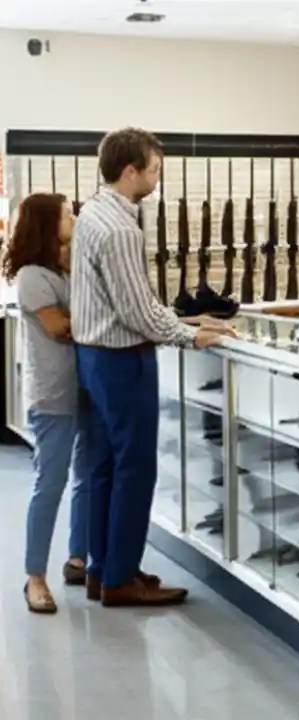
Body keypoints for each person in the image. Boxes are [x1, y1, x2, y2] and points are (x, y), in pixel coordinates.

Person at [71, 127, 235, 607]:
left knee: (104, 468)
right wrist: (191, 334)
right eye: (155, 169)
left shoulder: (91, 214)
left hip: (94, 358)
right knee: (135, 470)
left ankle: (104, 571)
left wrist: (183, 316)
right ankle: (121, 578)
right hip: (123, 361)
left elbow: (129, 301)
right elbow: (136, 313)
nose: (158, 178)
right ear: (131, 171)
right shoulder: (121, 229)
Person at [4, 193, 88, 614]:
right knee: (50, 483)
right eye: (68, 213)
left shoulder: (64, 269)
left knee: (87, 477)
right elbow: (59, 328)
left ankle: (78, 559)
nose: (74, 217)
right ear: (46, 223)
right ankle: (34, 577)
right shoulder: (33, 276)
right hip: (54, 395)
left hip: (85, 389)